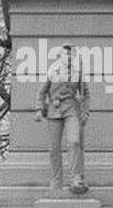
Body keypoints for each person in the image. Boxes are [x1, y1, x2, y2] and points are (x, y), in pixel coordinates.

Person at [35, 44, 90, 193]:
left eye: (72, 55)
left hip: (72, 109)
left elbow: (86, 93)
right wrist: (39, 109)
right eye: (67, 55)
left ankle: (76, 179)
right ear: (60, 57)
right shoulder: (52, 72)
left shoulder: (77, 74)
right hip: (54, 110)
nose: (70, 58)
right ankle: (56, 180)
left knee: (74, 141)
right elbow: (41, 92)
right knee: (54, 148)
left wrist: (85, 111)